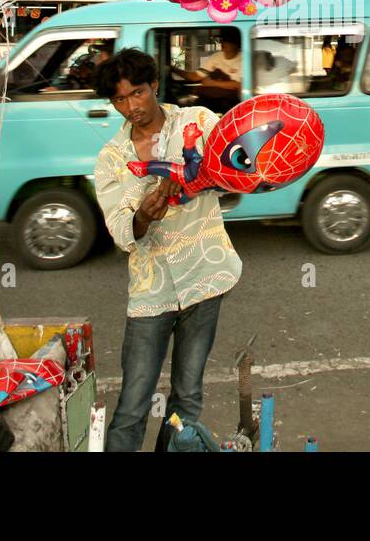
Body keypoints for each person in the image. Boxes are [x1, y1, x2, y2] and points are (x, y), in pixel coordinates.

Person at [92, 49, 242, 452]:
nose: (132, 107)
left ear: (154, 86)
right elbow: (121, 230)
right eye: (120, 100)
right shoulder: (111, 158)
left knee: (187, 398)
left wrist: (197, 181)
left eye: (138, 94)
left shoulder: (198, 122)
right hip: (151, 293)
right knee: (133, 403)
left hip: (204, 278)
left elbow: (234, 174)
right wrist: (143, 216)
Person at [175, 28, 242, 109]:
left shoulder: (243, 59)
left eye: (228, 41)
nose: (223, 43)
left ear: (237, 44)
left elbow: (238, 85)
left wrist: (213, 83)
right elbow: (195, 76)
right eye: (223, 40)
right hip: (211, 100)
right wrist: (174, 69)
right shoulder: (216, 57)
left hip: (232, 101)